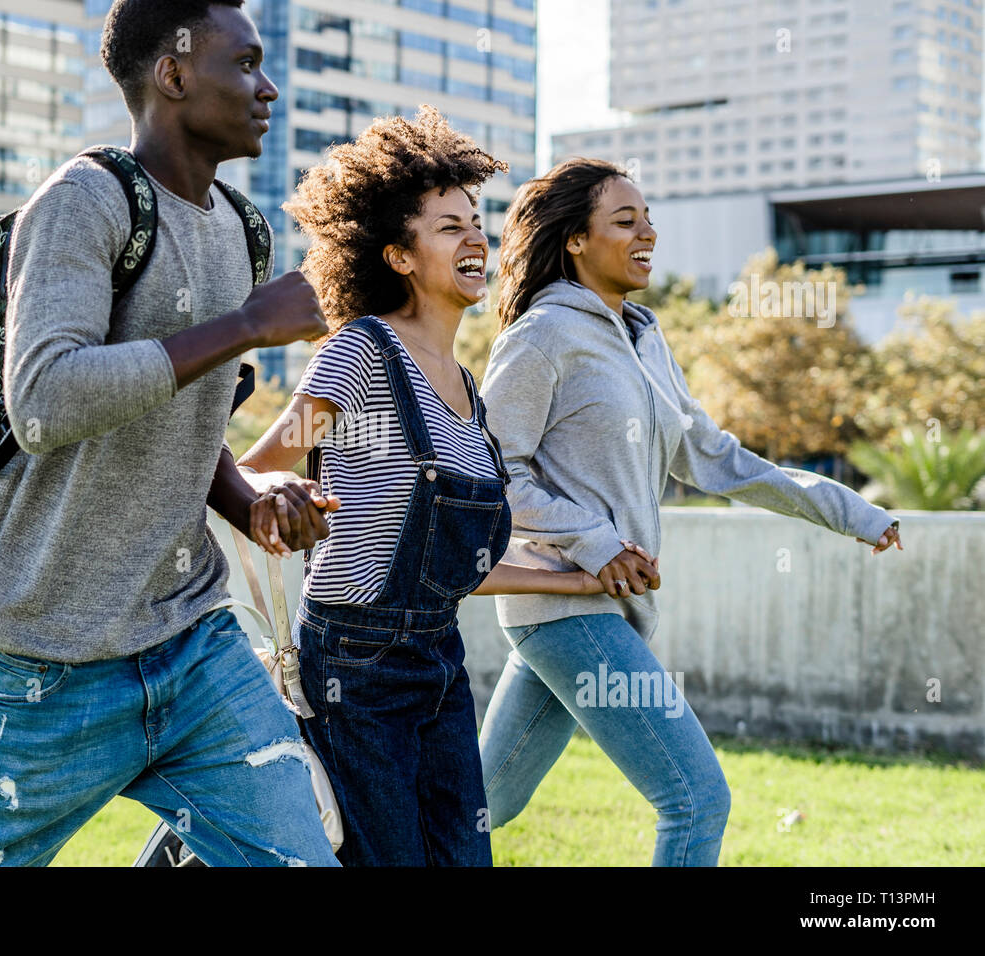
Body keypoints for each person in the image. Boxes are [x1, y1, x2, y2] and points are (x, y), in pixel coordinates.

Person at [0, 0, 341, 867]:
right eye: (246, 64)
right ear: (174, 73)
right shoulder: (83, 201)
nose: (268, 88)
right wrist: (242, 326)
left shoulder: (242, 227)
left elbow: (186, 428)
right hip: (56, 660)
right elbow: (43, 398)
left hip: (195, 643)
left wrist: (249, 499)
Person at [236, 108, 650, 866]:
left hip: (438, 660)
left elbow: (452, 569)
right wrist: (280, 500)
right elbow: (260, 465)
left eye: (476, 223)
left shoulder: (467, 390)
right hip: (353, 668)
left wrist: (579, 581)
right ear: (396, 253)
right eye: (448, 227)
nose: (474, 240)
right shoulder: (361, 352)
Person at [477, 157, 903, 866]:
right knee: (696, 798)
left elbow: (717, 457)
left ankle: (351, 845)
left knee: (481, 804)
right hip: (566, 606)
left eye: (649, 218)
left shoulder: (644, 337)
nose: (648, 232)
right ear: (575, 239)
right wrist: (594, 541)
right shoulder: (542, 336)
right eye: (625, 219)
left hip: (604, 611)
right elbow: (492, 470)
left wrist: (849, 510)